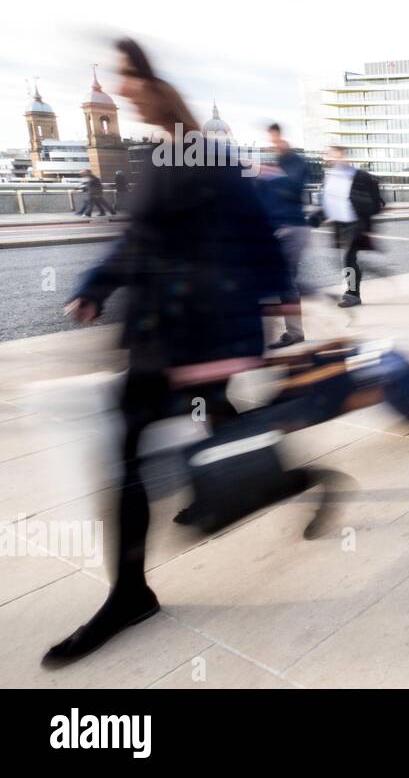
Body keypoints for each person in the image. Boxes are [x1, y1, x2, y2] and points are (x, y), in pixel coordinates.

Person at [45, 37, 291, 666]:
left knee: (129, 452)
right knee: (196, 426)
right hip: (166, 330)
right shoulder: (159, 154)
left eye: (127, 77)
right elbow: (139, 243)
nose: (120, 90)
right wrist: (96, 286)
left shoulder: (203, 154)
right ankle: (274, 480)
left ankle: (132, 590)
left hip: (192, 333)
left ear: (151, 83)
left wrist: (276, 315)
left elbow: (257, 236)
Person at [257, 124, 312, 348]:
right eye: (271, 141)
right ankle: (269, 334)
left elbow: (294, 188)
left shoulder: (294, 163)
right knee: (271, 281)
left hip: (292, 228)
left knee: (284, 280)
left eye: (276, 140)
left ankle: (294, 332)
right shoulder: (271, 168)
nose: (274, 145)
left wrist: (273, 173)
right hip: (275, 230)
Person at [318, 146, 384, 308]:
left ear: (344, 156)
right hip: (340, 224)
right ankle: (358, 280)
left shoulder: (359, 176)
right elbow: (329, 202)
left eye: (336, 155)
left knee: (348, 258)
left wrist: (365, 215)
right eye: (330, 156)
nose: (333, 159)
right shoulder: (331, 177)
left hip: (356, 222)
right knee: (345, 260)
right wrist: (316, 218)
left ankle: (353, 295)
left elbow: (377, 201)